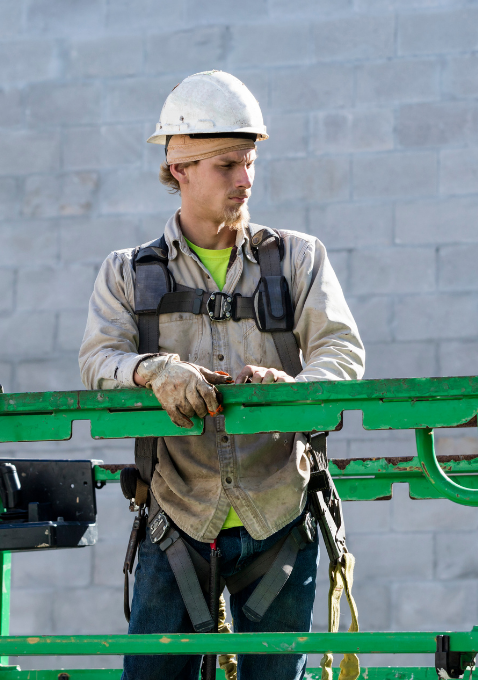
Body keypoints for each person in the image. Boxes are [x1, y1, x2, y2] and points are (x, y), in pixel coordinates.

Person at [78, 70, 365, 680]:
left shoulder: (296, 260)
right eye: (225, 166)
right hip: (176, 517)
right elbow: (99, 362)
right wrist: (154, 371)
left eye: (249, 162)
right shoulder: (127, 273)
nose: (245, 179)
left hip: (280, 514)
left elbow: (341, 355)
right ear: (179, 169)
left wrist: (295, 392)